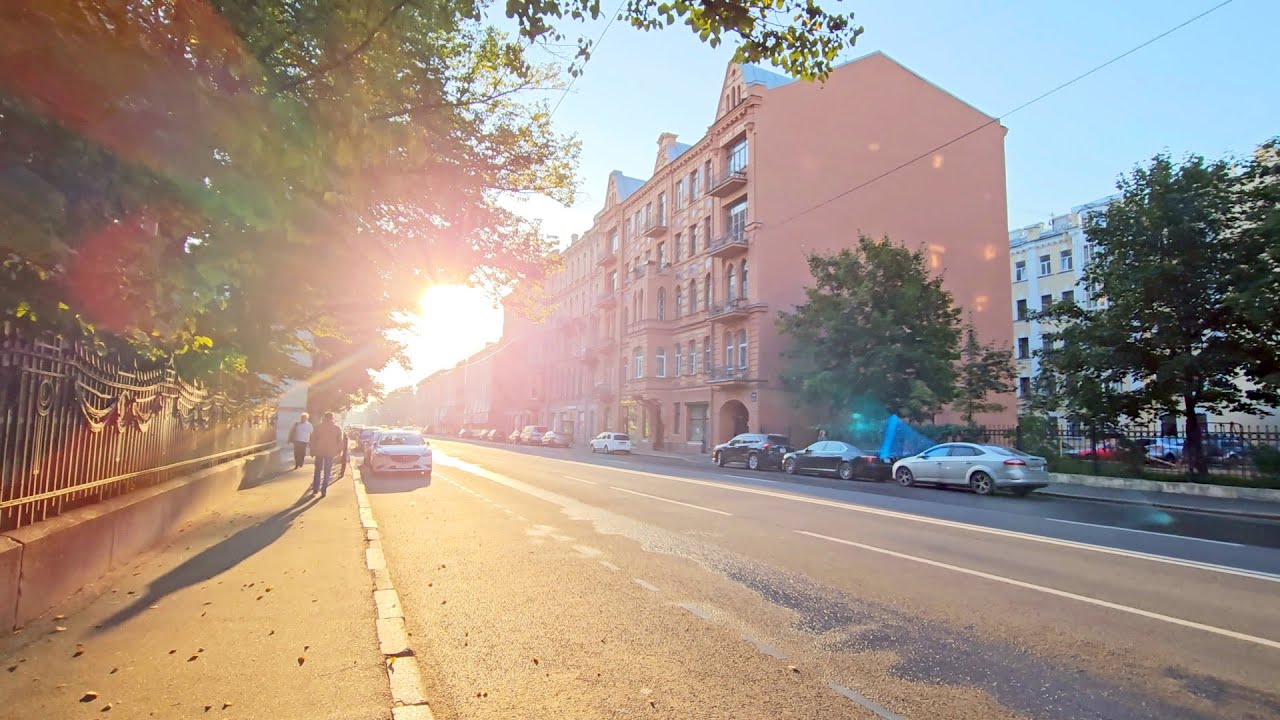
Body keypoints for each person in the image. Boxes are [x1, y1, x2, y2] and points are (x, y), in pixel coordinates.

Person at [309, 412, 344, 497]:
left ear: (324, 418)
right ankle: (324, 489)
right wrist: (339, 451)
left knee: (317, 470)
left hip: (319, 451)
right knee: (327, 471)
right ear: (332, 418)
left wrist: (312, 450)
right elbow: (340, 441)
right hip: (330, 452)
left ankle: (315, 489)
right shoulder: (336, 428)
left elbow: (312, 439)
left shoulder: (318, 427)